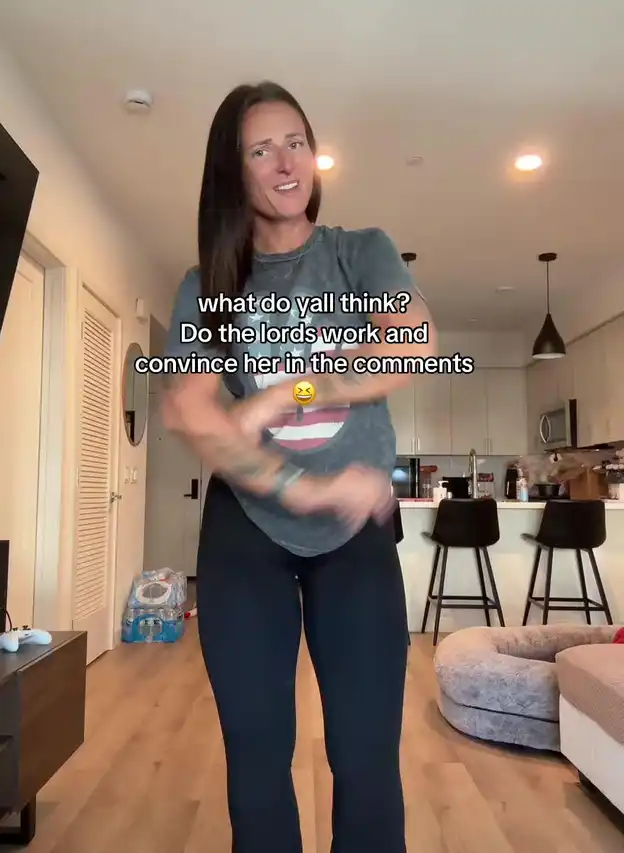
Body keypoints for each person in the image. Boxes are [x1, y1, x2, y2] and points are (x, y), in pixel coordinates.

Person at [161, 81, 436, 853]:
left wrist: (290, 391)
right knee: (256, 756)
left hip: (356, 531)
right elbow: (190, 410)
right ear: (234, 170)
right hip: (247, 531)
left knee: (366, 756)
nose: (286, 164)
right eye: (261, 149)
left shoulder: (360, 251)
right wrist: (301, 486)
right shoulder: (207, 284)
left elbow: (413, 341)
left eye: (296, 143)